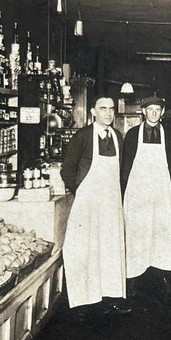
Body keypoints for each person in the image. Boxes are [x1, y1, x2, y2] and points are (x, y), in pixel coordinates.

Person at [60, 96, 130, 319]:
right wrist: (80, 191)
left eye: (111, 109)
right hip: (87, 203)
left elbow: (121, 172)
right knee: (84, 250)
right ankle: (83, 303)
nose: (108, 113)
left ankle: (111, 297)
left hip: (111, 202)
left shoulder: (117, 137)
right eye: (103, 109)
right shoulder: (82, 136)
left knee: (110, 249)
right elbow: (67, 170)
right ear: (93, 112)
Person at [120, 95, 171, 299]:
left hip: (160, 192)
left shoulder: (169, 136)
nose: (154, 113)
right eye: (150, 109)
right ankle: (131, 280)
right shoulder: (132, 135)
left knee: (161, 233)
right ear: (143, 112)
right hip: (137, 194)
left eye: (158, 109)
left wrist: (160, 183)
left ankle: (165, 275)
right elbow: (125, 167)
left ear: (162, 113)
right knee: (136, 233)